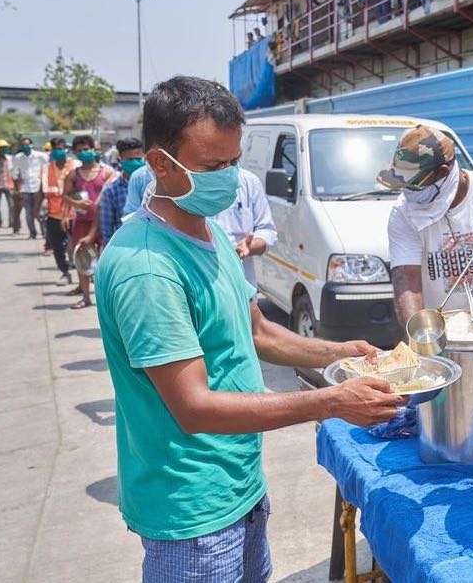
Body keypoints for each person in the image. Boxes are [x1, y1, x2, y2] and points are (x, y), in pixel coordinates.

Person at [96, 75, 404, 581]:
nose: (230, 179)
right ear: (158, 164)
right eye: (213, 167)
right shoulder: (147, 268)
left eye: (235, 162)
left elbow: (257, 331)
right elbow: (193, 407)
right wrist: (329, 402)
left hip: (238, 482)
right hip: (191, 511)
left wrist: (340, 351)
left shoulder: (208, 229)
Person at [378, 125, 473, 329]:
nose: (407, 192)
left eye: (413, 184)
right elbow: (407, 279)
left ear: (443, 172)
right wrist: (421, 334)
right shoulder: (403, 213)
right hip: (440, 330)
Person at [64, 135, 114, 309]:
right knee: (82, 260)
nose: (83, 153)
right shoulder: (73, 174)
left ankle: (108, 299)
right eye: (79, 151)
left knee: (107, 262)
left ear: (94, 149)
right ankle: (86, 297)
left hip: (105, 222)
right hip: (83, 223)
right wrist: (76, 203)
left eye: (86, 149)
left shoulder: (106, 172)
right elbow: (66, 196)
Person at [209, 164, 278, 289]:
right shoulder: (197, 182)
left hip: (242, 285)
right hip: (205, 284)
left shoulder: (249, 182)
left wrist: (249, 247)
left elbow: (267, 231)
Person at [98, 138, 145, 247]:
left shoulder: (155, 185)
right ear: (120, 161)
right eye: (130, 159)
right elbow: (107, 229)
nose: (135, 163)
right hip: (125, 246)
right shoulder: (111, 191)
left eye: (139, 159)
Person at [42, 143, 74, 285]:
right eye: (55, 149)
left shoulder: (75, 165)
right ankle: (65, 272)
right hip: (53, 214)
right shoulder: (46, 169)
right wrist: (39, 209)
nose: (58, 151)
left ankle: (87, 274)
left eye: (61, 148)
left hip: (74, 214)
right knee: (57, 247)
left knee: (81, 246)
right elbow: (41, 190)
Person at [12, 137, 46, 240]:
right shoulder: (18, 157)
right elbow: (14, 172)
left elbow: (46, 169)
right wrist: (17, 184)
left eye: (28, 144)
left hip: (38, 187)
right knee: (28, 213)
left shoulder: (40, 156)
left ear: (31, 145)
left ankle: (44, 233)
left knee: (39, 212)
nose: (26, 147)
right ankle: (32, 233)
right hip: (25, 188)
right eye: (24, 145)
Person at [0, 139, 15, 229]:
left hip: (9, 185)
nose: (5, 149)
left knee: (11, 205)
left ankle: (12, 222)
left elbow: (13, 171)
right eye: (3, 148)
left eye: (6, 147)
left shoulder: (10, 158)